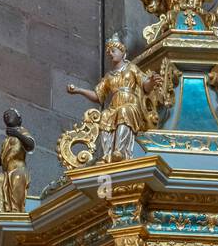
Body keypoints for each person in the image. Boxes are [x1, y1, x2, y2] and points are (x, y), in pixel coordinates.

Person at [67, 35, 162, 163]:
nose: (111, 54)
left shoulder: (131, 68)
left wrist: (151, 81)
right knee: (106, 115)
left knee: (124, 112)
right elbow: (97, 96)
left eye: (113, 51)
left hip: (130, 105)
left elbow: (145, 86)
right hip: (114, 105)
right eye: (109, 52)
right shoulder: (108, 76)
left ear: (123, 53)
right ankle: (107, 155)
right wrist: (79, 90)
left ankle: (120, 151)